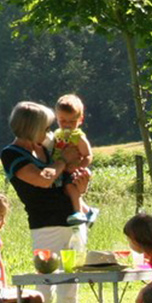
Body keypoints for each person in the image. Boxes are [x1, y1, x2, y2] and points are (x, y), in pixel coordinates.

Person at [2, 101, 90, 303]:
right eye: (45, 127)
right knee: (44, 290)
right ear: (31, 128)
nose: (49, 131)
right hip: (45, 227)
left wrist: (80, 187)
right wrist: (64, 161)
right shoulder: (12, 154)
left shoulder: (48, 147)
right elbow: (42, 180)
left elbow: (67, 174)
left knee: (70, 287)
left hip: (73, 222)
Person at [0, 192, 46, 303]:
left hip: (0, 289)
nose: (2, 222)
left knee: (37, 297)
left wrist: (4, 284)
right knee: (35, 297)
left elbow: (0, 265)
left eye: (3, 217)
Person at [47, 95, 97, 226]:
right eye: (63, 121)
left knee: (70, 187)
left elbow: (88, 155)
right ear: (56, 118)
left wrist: (79, 168)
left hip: (72, 169)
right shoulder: (57, 134)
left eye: (72, 121)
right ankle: (88, 211)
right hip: (61, 168)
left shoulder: (78, 137)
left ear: (80, 120)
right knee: (63, 191)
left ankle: (78, 212)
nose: (67, 125)